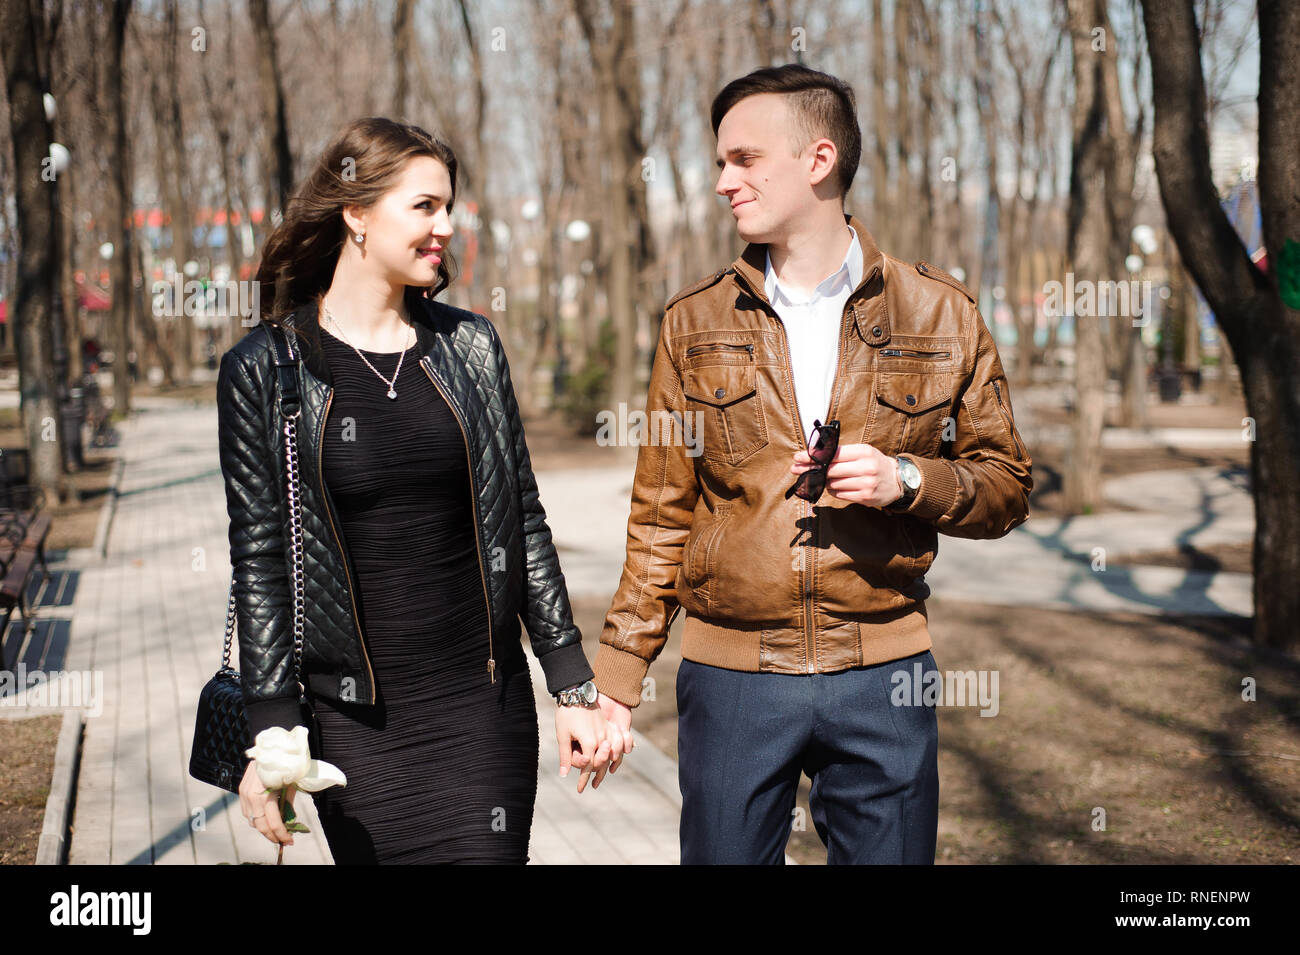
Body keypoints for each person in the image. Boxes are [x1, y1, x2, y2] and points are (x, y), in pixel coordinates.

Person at [591, 65, 1032, 864]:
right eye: (721, 161)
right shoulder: (693, 320)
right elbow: (662, 511)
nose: (723, 181)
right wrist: (618, 681)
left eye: (744, 159)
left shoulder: (942, 312)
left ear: (818, 160)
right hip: (731, 680)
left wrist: (908, 481)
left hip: (887, 675)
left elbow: (1005, 484)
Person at [217, 117, 622, 864]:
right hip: (356, 721)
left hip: (482, 706)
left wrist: (571, 682)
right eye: (424, 206)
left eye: (449, 206)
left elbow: (522, 518)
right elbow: (264, 559)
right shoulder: (267, 370)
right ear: (357, 214)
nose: (445, 225)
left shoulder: (470, 347)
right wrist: (273, 733)